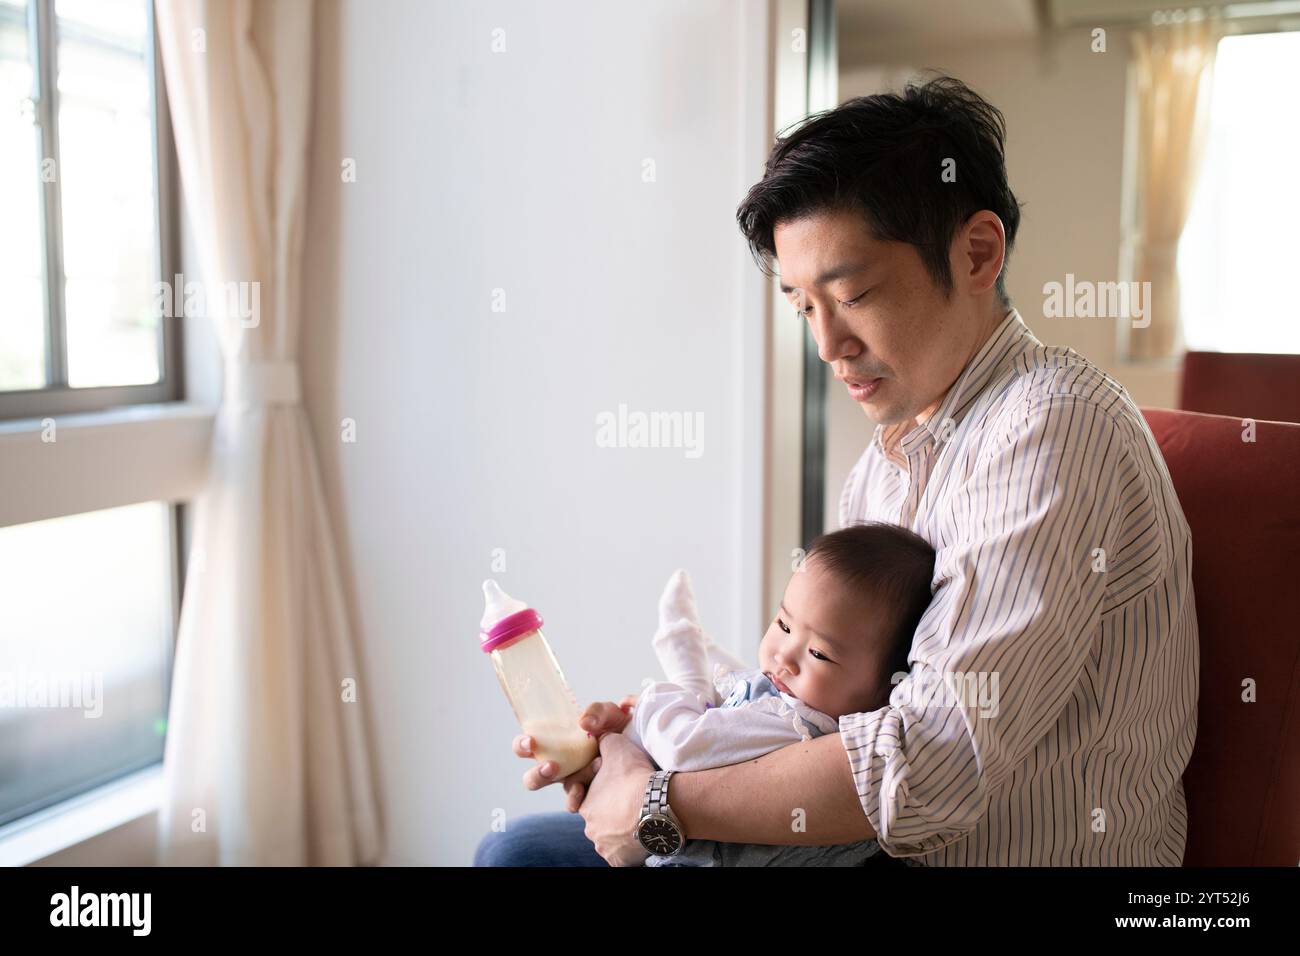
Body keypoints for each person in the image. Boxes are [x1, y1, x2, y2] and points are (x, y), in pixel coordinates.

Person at [476, 74, 1198, 867]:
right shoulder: (889, 464)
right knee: (520, 849)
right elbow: (815, 705)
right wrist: (649, 747)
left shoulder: (1051, 430)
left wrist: (655, 803)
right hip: (854, 851)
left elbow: (928, 765)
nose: (827, 345)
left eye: (851, 294)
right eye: (801, 306)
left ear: (977, 252)